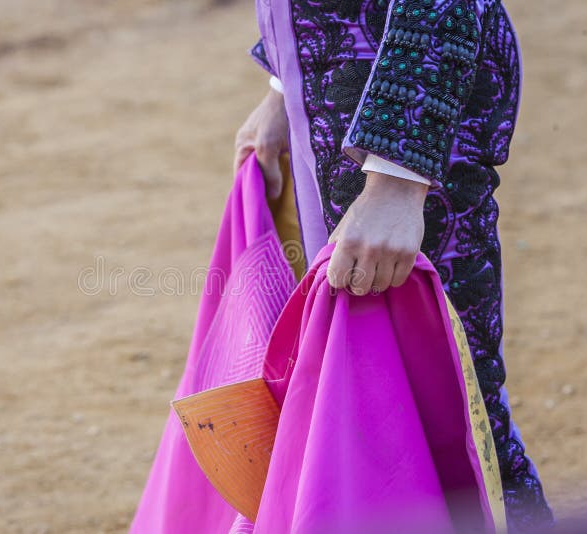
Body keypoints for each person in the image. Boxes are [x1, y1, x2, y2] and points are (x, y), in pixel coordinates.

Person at [234, 0, 553, 531]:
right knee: (357, 407)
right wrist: (283, 85)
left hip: (407, 130)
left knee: (451, 418)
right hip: (339, 111)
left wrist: (399, 173)